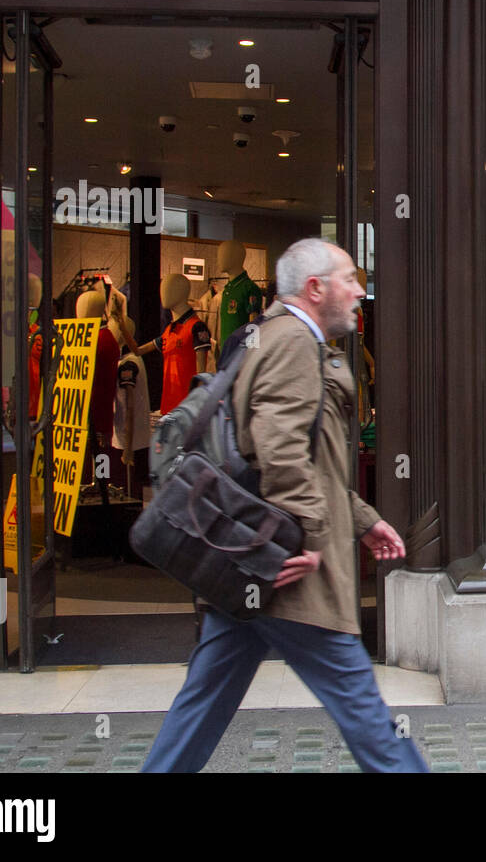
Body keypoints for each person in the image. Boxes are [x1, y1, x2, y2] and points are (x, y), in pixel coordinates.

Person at [142, 237, 428, 773]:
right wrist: (310, 540)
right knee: (366, 716)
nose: (360, 292)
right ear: (315, 288)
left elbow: (299, 457)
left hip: (250, 562)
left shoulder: (263, 336)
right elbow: (279, 449)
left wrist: (363, 522)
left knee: (200, 708)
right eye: (349, 279)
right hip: (290, 571)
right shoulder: (296, 342)